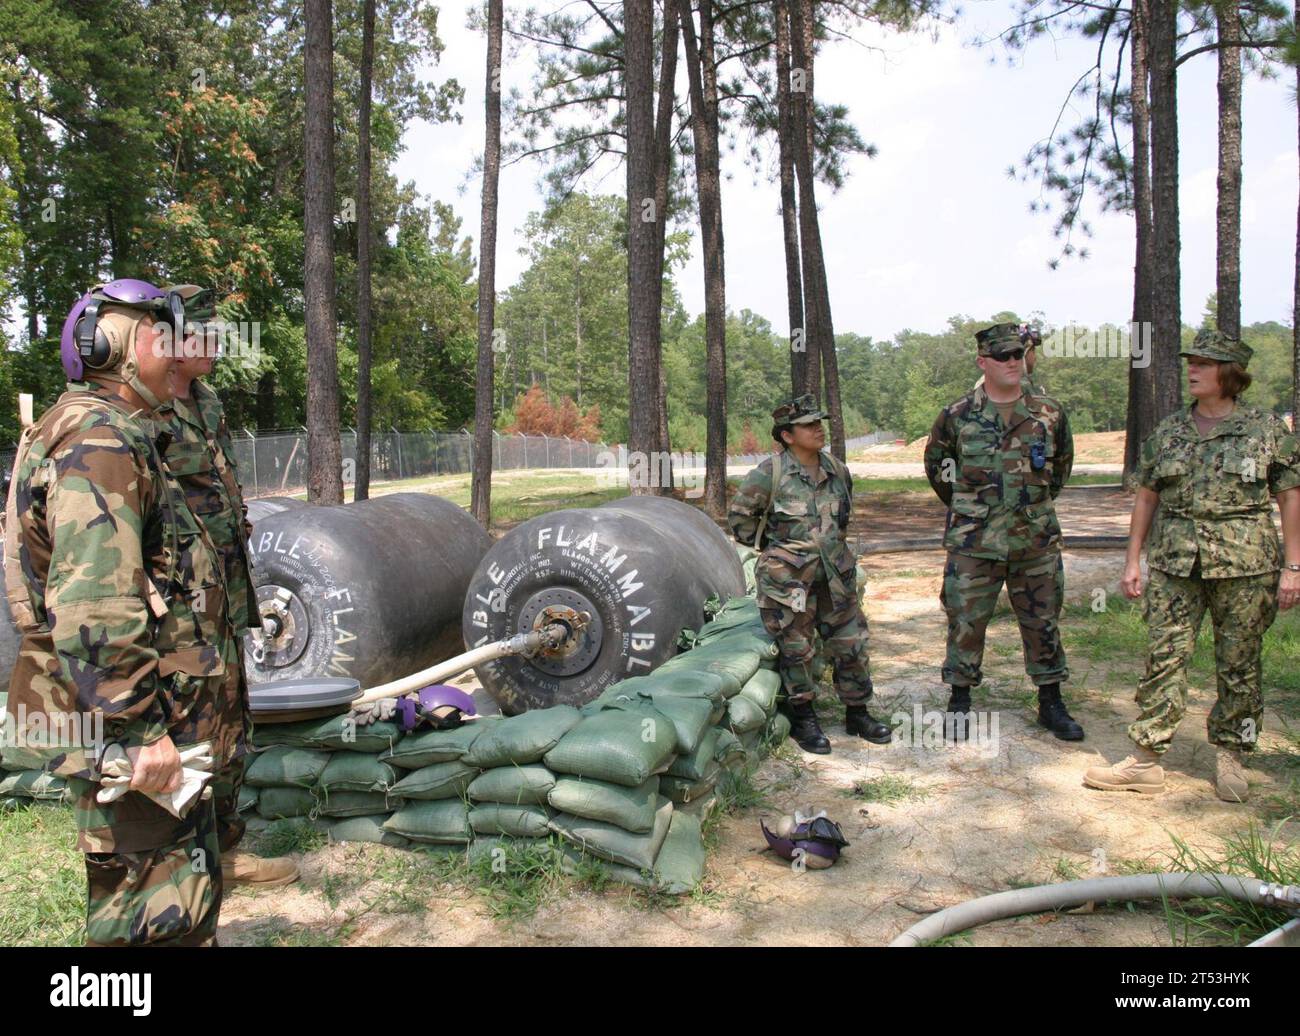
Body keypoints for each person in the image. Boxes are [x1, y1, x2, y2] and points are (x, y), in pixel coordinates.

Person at [3, 279, 244, 945]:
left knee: (177, 906)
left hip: (136, 716)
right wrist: (139, 734)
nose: (178, 352)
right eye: (159, 336)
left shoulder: (103, 430)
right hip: (129, 729)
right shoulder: (100, 443)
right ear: (113, 346)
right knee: (149, 920)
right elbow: (96, 605)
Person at [1084, 329, 1300, 801]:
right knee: (1164, 658)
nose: (1193, 370)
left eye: (1203, 363)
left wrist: (1293, 566)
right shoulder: (1169, 431)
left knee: (1240, 664)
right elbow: (1146, 496)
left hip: (1246, 565)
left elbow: (1288, 495)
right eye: (1191, 362)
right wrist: (1132, 560)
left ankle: (1232, 755)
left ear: (1230, 373)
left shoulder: (1266, 430)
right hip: (1175, 563)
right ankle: (1146, 758)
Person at [159, 288, 297, 887]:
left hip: (224, 587)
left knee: (230, 717)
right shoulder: (143, 412)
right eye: (203, 334)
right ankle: (188, 860)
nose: (215, 343)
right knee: (187, 723)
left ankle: (225, 844)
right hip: (178, 600)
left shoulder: (206, 400)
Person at [924, 321, 1082, 740]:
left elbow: (1060, 469)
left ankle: (1051, 702)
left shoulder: (1049, 412)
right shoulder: (957, 416)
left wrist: (1028, 507)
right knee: (965, 621)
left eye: (1018, 354)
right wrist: (975, 511)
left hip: (1034, 539)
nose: (1013, 362)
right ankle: (959, 701)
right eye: (1003, 356)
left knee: (1042, 620)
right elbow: (940, 471)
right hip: (974, 543)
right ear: (983, 362)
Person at [728, 393, 891, 754]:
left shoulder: (837, 470)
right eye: (809, 425)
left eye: (820, 423)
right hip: (789, 584)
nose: (818, 429)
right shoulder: (769, 474)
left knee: (851, 643)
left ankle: (858, 712)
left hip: (836, 577)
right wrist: (779, 553)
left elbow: (843, 519)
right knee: (797, 649)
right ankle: (805, 719)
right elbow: (740, 520)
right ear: (787, 435)